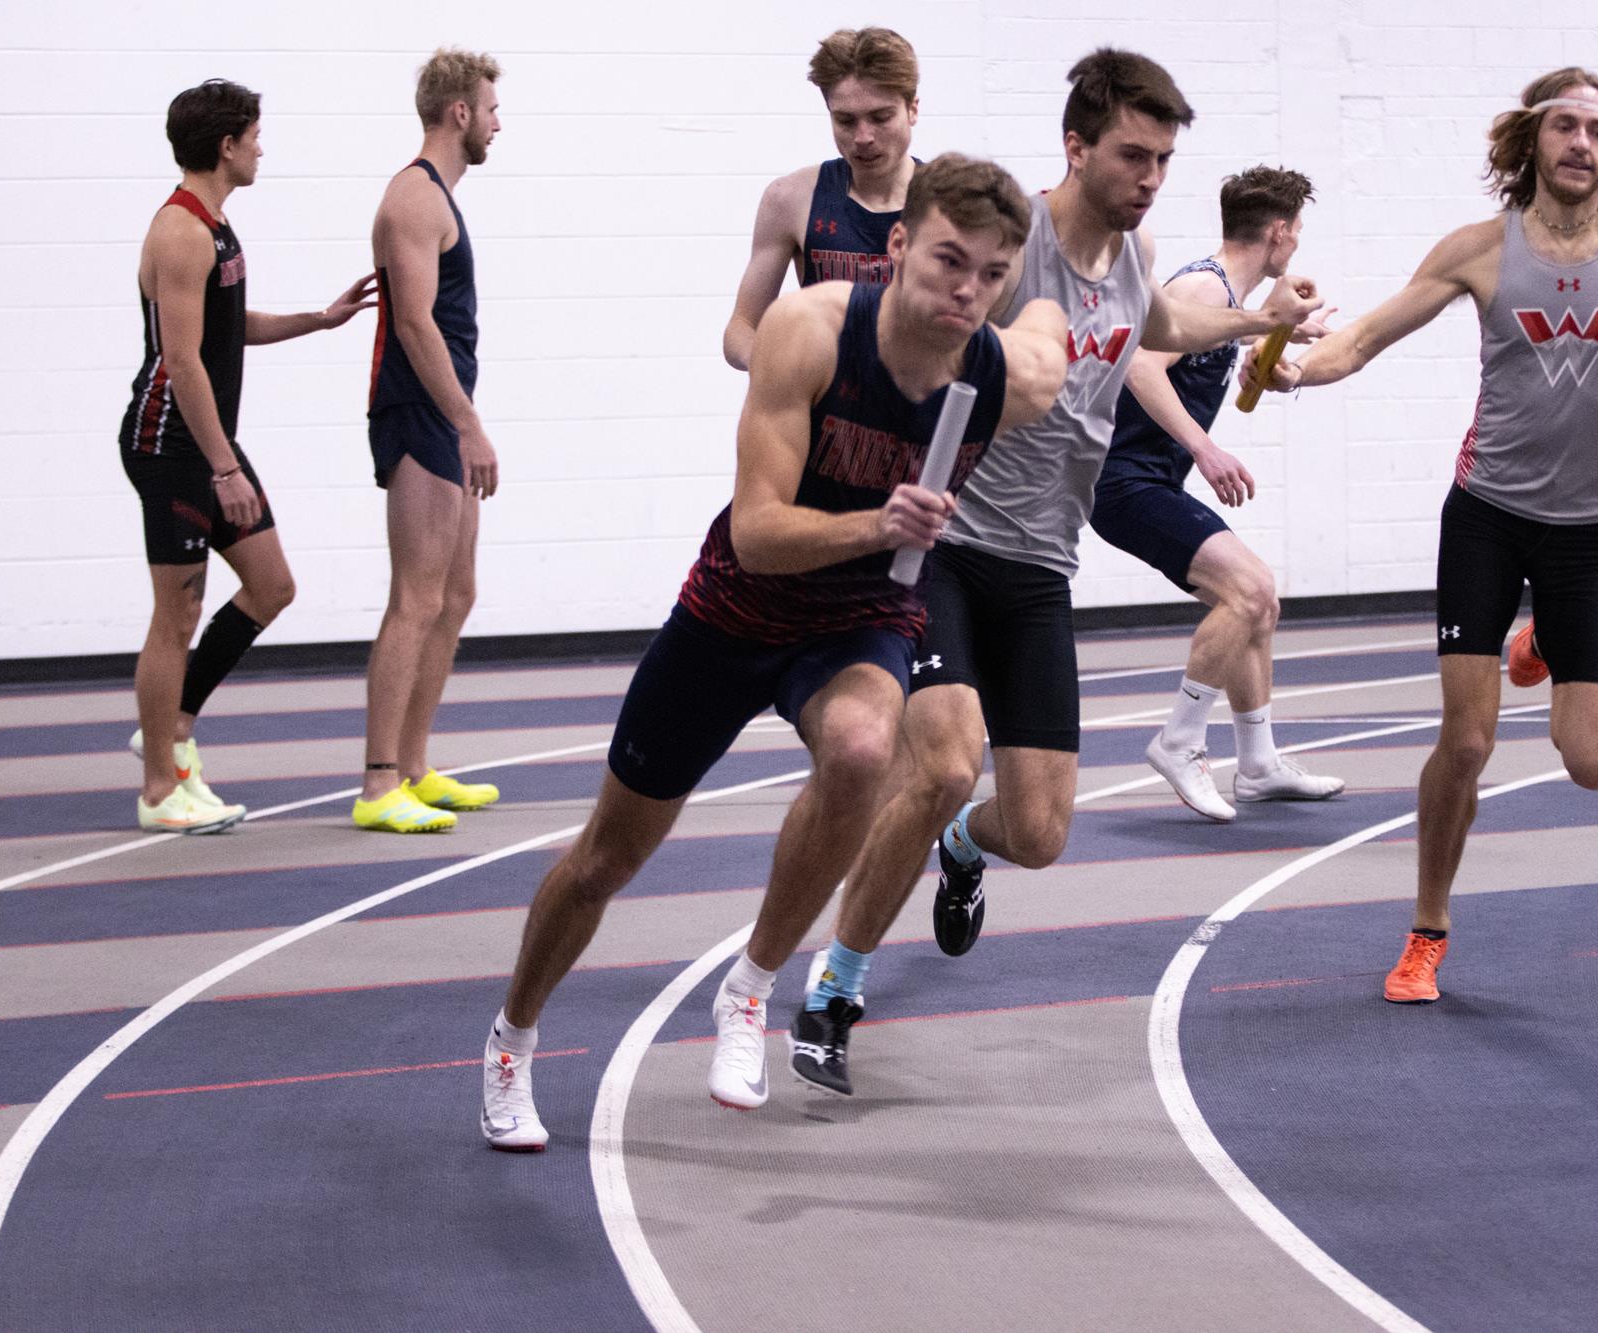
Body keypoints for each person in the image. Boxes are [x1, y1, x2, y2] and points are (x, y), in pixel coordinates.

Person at [478, 155, 1070, 1148]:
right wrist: (880, 525)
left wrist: (1081, 275)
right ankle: (512, 1035)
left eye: (991, 273)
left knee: (860, 750)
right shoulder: (810, 333)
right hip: (735, 612)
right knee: (604, 859)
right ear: (894, 248)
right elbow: (755, 532)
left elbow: (1061, 330)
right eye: (945, 262)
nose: (966, 291)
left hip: (857, 622)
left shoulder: (1002, 372)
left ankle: (750, 986)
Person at [789, 50, 1323, 1098]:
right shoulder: (1008, 248)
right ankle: (833, 987)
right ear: (1075, 146)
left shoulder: (1132, 258)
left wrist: (1258, 320)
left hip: (1038, 565)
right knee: (945, 757)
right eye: (1131, 154)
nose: (1149, 177)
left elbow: (1157, 330)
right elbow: (905, 334)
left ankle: (956, 844)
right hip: (938, 546)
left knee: (1034, 831)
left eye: (1164, 158)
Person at [1254, 68, 1598, 1003]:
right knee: (1468, 740)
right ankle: (1426, 933)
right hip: (1489, 517)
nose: (1581, 144)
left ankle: (1541, 641)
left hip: (1588, 531)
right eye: (1565, 127)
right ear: (1533, 140)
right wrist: (1292, 371)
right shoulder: (1479, 251)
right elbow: (1365, 337)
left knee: (1596, 764)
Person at [120, 78, 374, 833]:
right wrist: (223, 467)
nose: (262, 146)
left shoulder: (217, 226)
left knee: (271, 584)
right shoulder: (180, 232)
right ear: (225, 144)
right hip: (171, 445)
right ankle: (160, 787)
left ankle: (174, 727)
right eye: (255, 135)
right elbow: (184, 360)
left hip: (207, 445)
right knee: (179, 613)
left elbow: (227, 328)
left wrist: (317, 320)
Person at [1092, 165, 1343, 821]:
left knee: (1259, 605)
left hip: (1148, 478)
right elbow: (1141, 363)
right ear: (1281, 232)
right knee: (1250, 589)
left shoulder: (1233, 296)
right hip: (1124, 479)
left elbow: (1233, 362)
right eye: (1298, 233)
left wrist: (1282, 342)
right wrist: (1205, 449)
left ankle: (1257, 765)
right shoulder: (1203, 283)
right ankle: (1179, 741)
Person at [353, 48, 504, 833]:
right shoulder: (413, 198)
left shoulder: (439, 198)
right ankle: (379, 782)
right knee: (414, 596)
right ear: (458, 115)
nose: (496, 123)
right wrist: (466, 421)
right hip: (418, 412)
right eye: (490, 109)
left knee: (456, 591)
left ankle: (414, 763)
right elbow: (412, 322)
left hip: (445, 412)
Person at [723, 26, 921, 372]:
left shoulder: (952, 202)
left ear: (912, 110)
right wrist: (784, 371)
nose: (863, 137)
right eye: (846, 120)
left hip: (918, 409)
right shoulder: (790, 199)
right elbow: (740, 330)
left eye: (880, 117)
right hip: (825, 409)